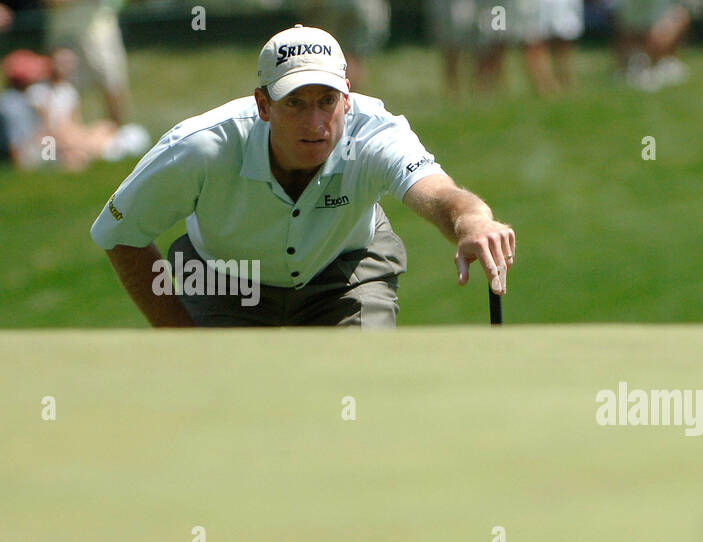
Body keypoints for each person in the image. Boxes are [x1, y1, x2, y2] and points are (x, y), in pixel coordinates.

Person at [90, 24, 515, 328]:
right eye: (295, 103)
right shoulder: (201, 147)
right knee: (231, 411)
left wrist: (472, 220)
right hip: (226, 278)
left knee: (362, 386)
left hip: (345, 272)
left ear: (347, 100)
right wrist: (180, 339)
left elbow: (437, 193)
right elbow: (117, 232)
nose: (315, 123)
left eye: (326, 100)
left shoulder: (374, 132)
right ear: (263, 104)